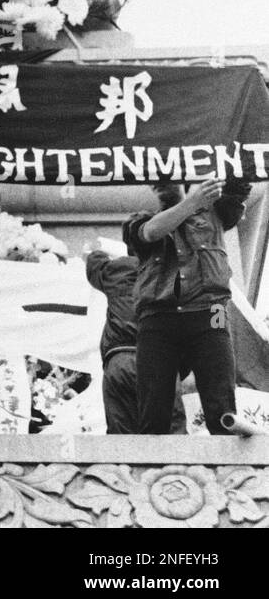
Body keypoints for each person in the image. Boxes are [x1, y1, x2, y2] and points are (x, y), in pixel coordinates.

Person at [124, 177, 248, 435]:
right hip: (158, 318)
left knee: (221, 398)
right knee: (153, 406)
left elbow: (238, 184)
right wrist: (194, 201)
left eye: (173, 177)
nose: (166, 185)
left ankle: (225, 464)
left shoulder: (215, 213)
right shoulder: (139, 220)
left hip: (212, 310)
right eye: (161, 180)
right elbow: (151, 232)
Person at [85, 238, 186, 435]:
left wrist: (98, 249)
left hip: (120, 362)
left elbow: (93, 263)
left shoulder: (117, 270)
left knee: (121, 441)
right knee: (174, 441)